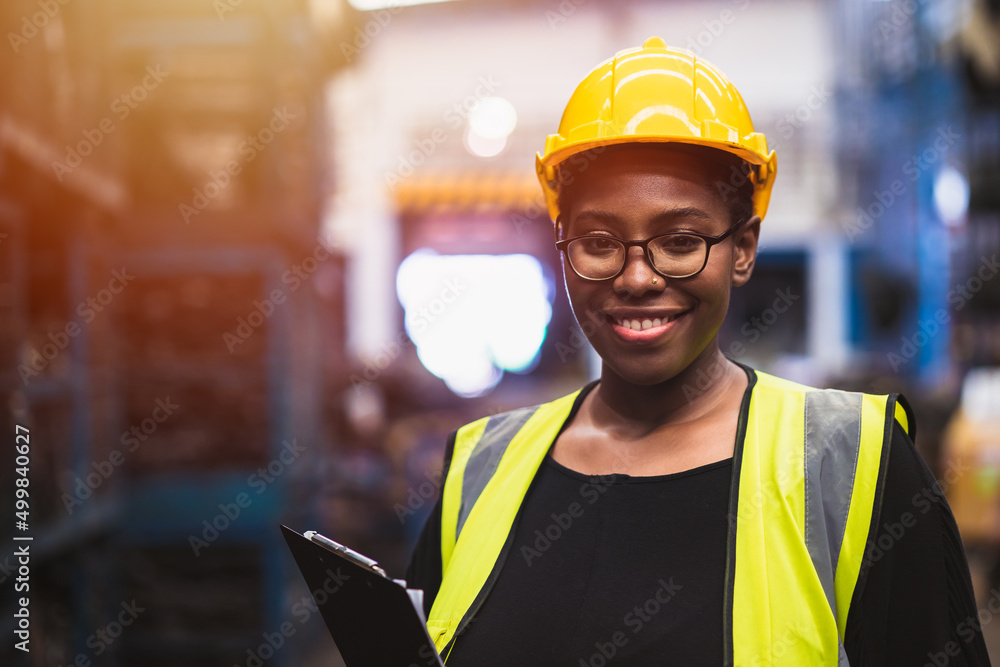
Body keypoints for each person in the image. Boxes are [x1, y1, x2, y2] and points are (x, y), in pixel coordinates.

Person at [405, 37, 991, 666]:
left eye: (680, 240)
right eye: (599, 240)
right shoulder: (480, 467)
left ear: (742, 249)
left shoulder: (853, 466)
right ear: (561, 246)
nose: (636, 278)